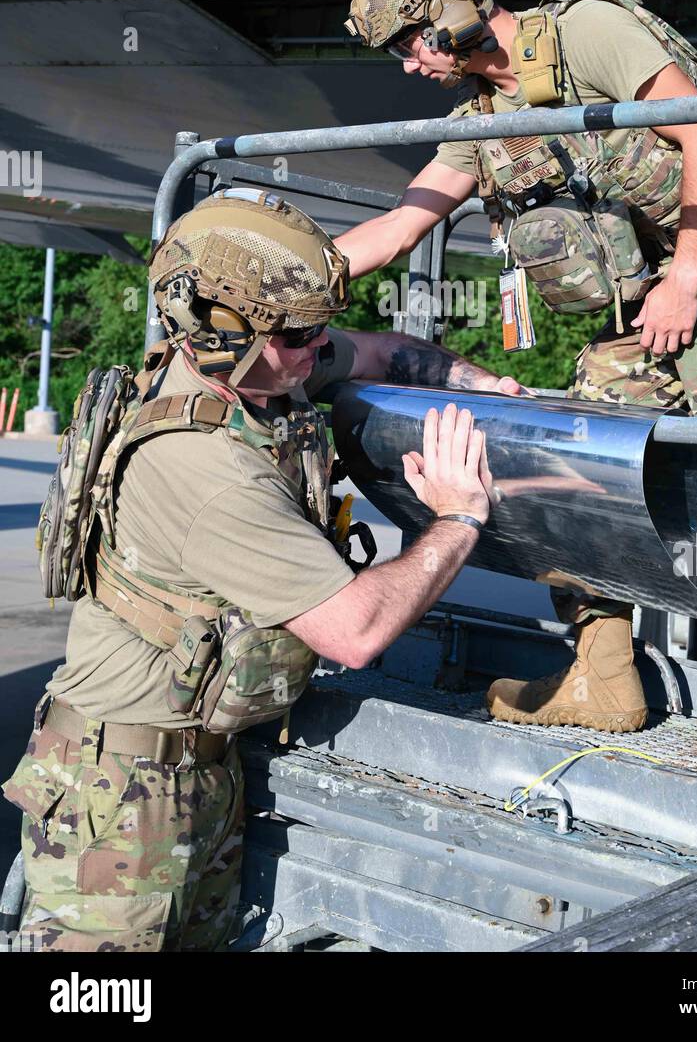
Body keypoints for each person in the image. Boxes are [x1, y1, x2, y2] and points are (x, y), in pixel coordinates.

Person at [339, 0, 697, 785]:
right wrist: (275, 278)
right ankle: (604, 674)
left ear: (458, 7)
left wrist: (685, 278)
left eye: (409, 40)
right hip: (640, 306)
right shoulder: (484, 120)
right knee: (567, 465)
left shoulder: (586, 30)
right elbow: (401, 226)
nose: (409, 63)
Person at [2, 188, 521, 952]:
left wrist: (488, 391)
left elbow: (380, 352)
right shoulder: (206, 467)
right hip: (117, 798)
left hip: (196, 771)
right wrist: (458, 515)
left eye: (319, 330)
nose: (320, 349)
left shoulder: (255, 371)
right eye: (301, 335)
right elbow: (355, 631)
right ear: (224, 333)